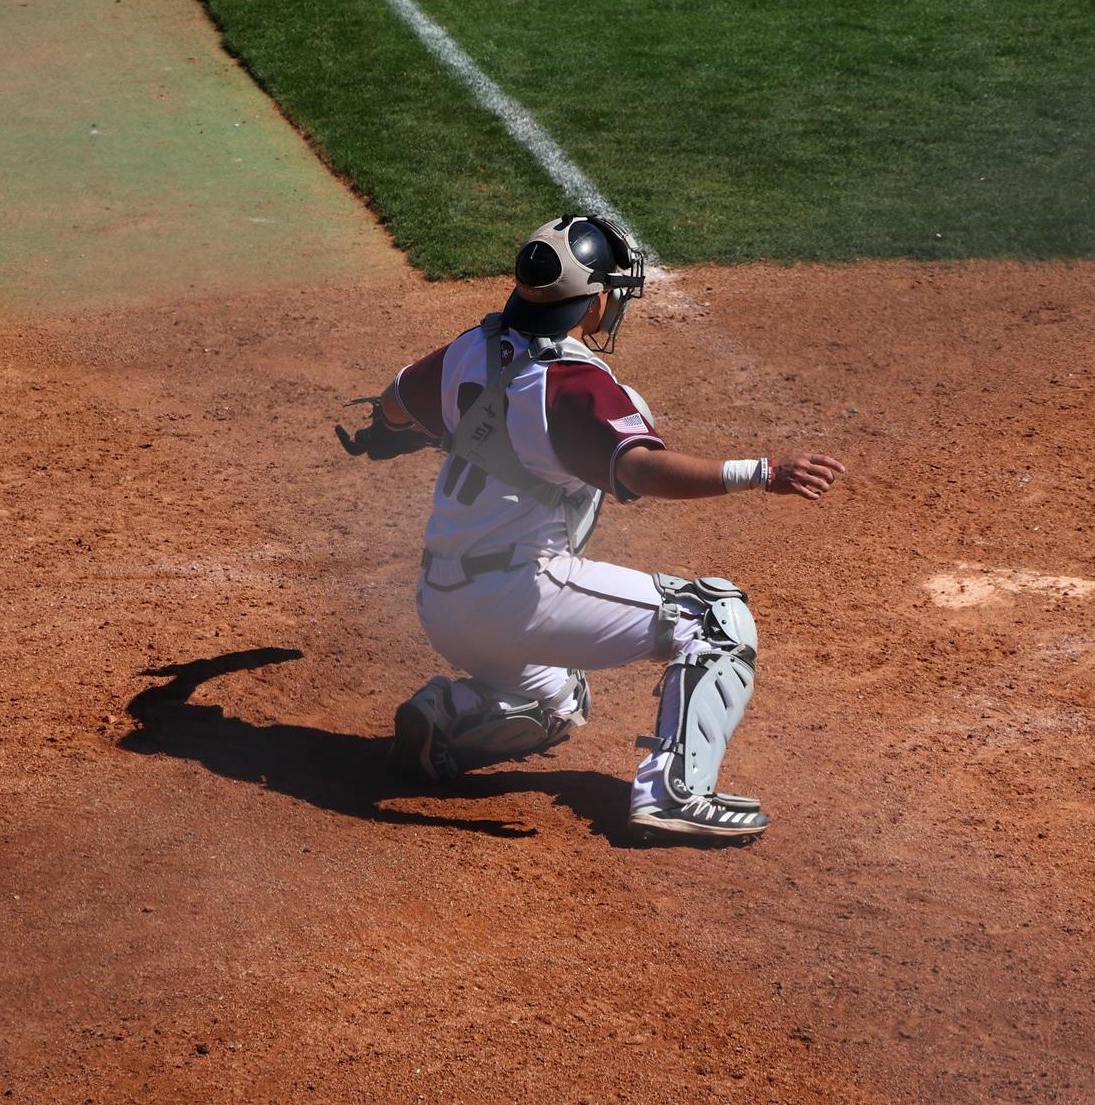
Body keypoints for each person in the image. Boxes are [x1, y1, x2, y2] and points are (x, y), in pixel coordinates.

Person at [341, 214, 845, 841]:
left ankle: (447, 716)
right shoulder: (573, 382)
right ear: (595, 300)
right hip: (520, 596)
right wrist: (762, 471)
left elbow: (392, 406)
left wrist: (383, 435)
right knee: (715, 616)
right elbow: (643, 470)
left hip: (441, 605)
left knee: (560, 701)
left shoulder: (469, 348)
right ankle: (677, 793)